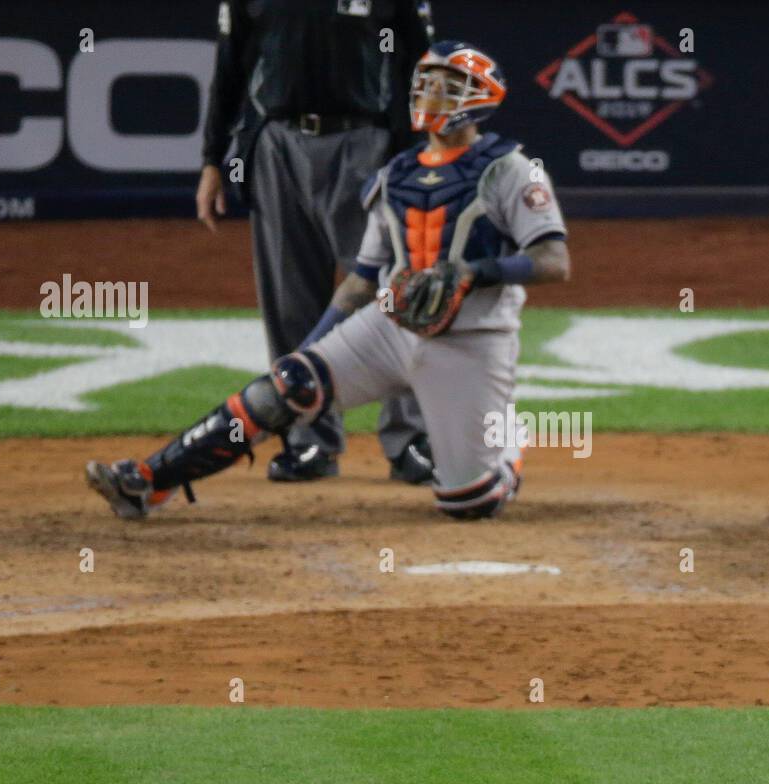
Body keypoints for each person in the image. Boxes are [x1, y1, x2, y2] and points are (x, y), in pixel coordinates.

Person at [87, 40, 570, 521]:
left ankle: (505, 436)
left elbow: (554, 261)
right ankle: (149, 482)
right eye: (425, 85)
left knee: (469, 502)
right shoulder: (394, 175)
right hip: (391, 326)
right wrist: (310, 346)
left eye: (447, 87)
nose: (430, 96)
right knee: (287, 386)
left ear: (481, 97)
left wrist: (475, 271)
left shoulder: (512, 170)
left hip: (470, 340)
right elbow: (360, 281)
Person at [197, 0, 436, 484]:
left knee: (394, 292)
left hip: (368, 143)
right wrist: (211, 159)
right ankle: (310, 442)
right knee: (291, 303)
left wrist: (419, 152)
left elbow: (421, 61)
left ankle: (409, 438)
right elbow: (230, 65)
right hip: (278, 144)